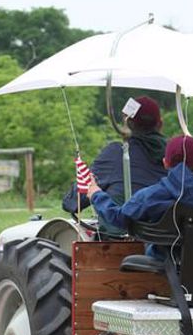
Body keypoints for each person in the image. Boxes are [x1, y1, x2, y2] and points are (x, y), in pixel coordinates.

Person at [87, 135, 193, 262]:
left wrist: (96, 194)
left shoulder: (150, 196)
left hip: (161, 266)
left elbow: (118, 218)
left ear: (165, 163)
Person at [62, 96, 168, 235]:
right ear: (160, 124)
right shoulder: (178, 157)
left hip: (119, 243)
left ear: (128, 123)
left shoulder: (116, 153)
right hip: (168, 243)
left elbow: (71, 202)